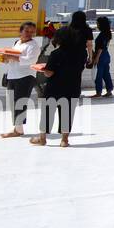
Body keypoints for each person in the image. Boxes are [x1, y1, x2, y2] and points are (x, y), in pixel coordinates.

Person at [31, 11, 92, 147]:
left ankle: (42, 138)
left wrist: (43, 69)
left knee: (48, 111)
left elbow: (49, 73)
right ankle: (64, 140)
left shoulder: (55, 54)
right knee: (67, 112)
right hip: (73, 86)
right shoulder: (81, 54)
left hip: (54, 87)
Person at [0, 21, 43, 138]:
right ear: (21, 31)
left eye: (32, 32)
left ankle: (18, 130)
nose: (29, 34)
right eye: (27, 31)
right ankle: (18, 128)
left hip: (26, 76)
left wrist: (11, 57)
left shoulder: (34, 45)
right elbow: (10, 60)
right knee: (12, 103)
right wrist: (1, 58)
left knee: (20, 103)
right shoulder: (17, 43)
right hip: (12, 76)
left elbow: (30, 60)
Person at [91, 16, 114, 98]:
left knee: (98, 75)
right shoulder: (108, 33)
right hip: (106, 55)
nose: (97, 25)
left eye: (97, 23)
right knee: (106, 74)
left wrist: (96, 58)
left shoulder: (102, 35)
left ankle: (98, 92)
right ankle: (109, 90)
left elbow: (100, 47)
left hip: (101, 56)